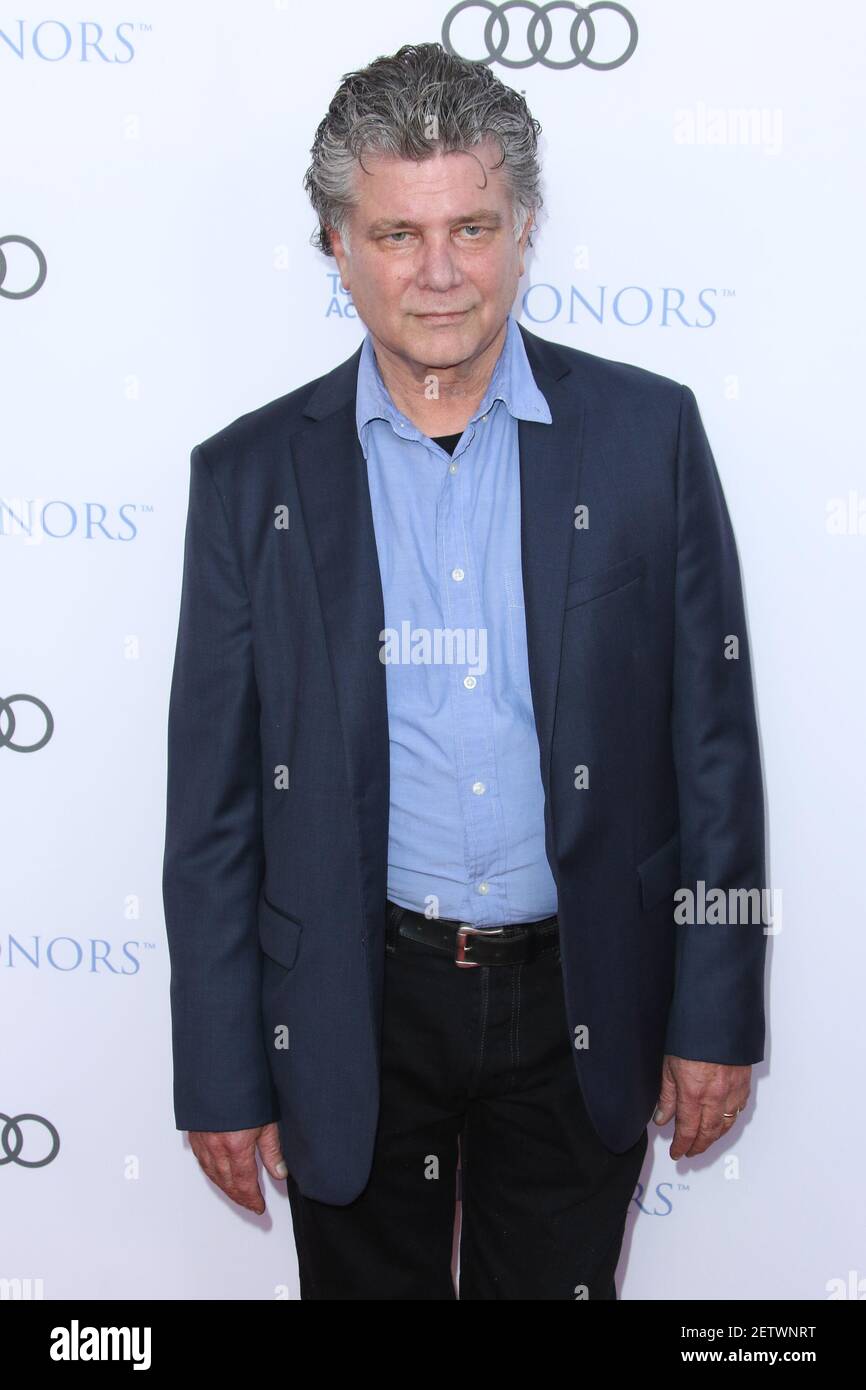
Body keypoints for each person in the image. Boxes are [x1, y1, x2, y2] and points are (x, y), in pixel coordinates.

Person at [162, 41, 767, 1300]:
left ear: (525, 226)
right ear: (336, 244)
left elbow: (712, 751)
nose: (438, 273)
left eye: (472, 225)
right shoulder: (248, 479)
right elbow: (212, 810)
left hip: (582, 997)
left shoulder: (647, 436)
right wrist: (222, 1065)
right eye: (395, 233)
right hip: (351, 1002)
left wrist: (716, 1011)